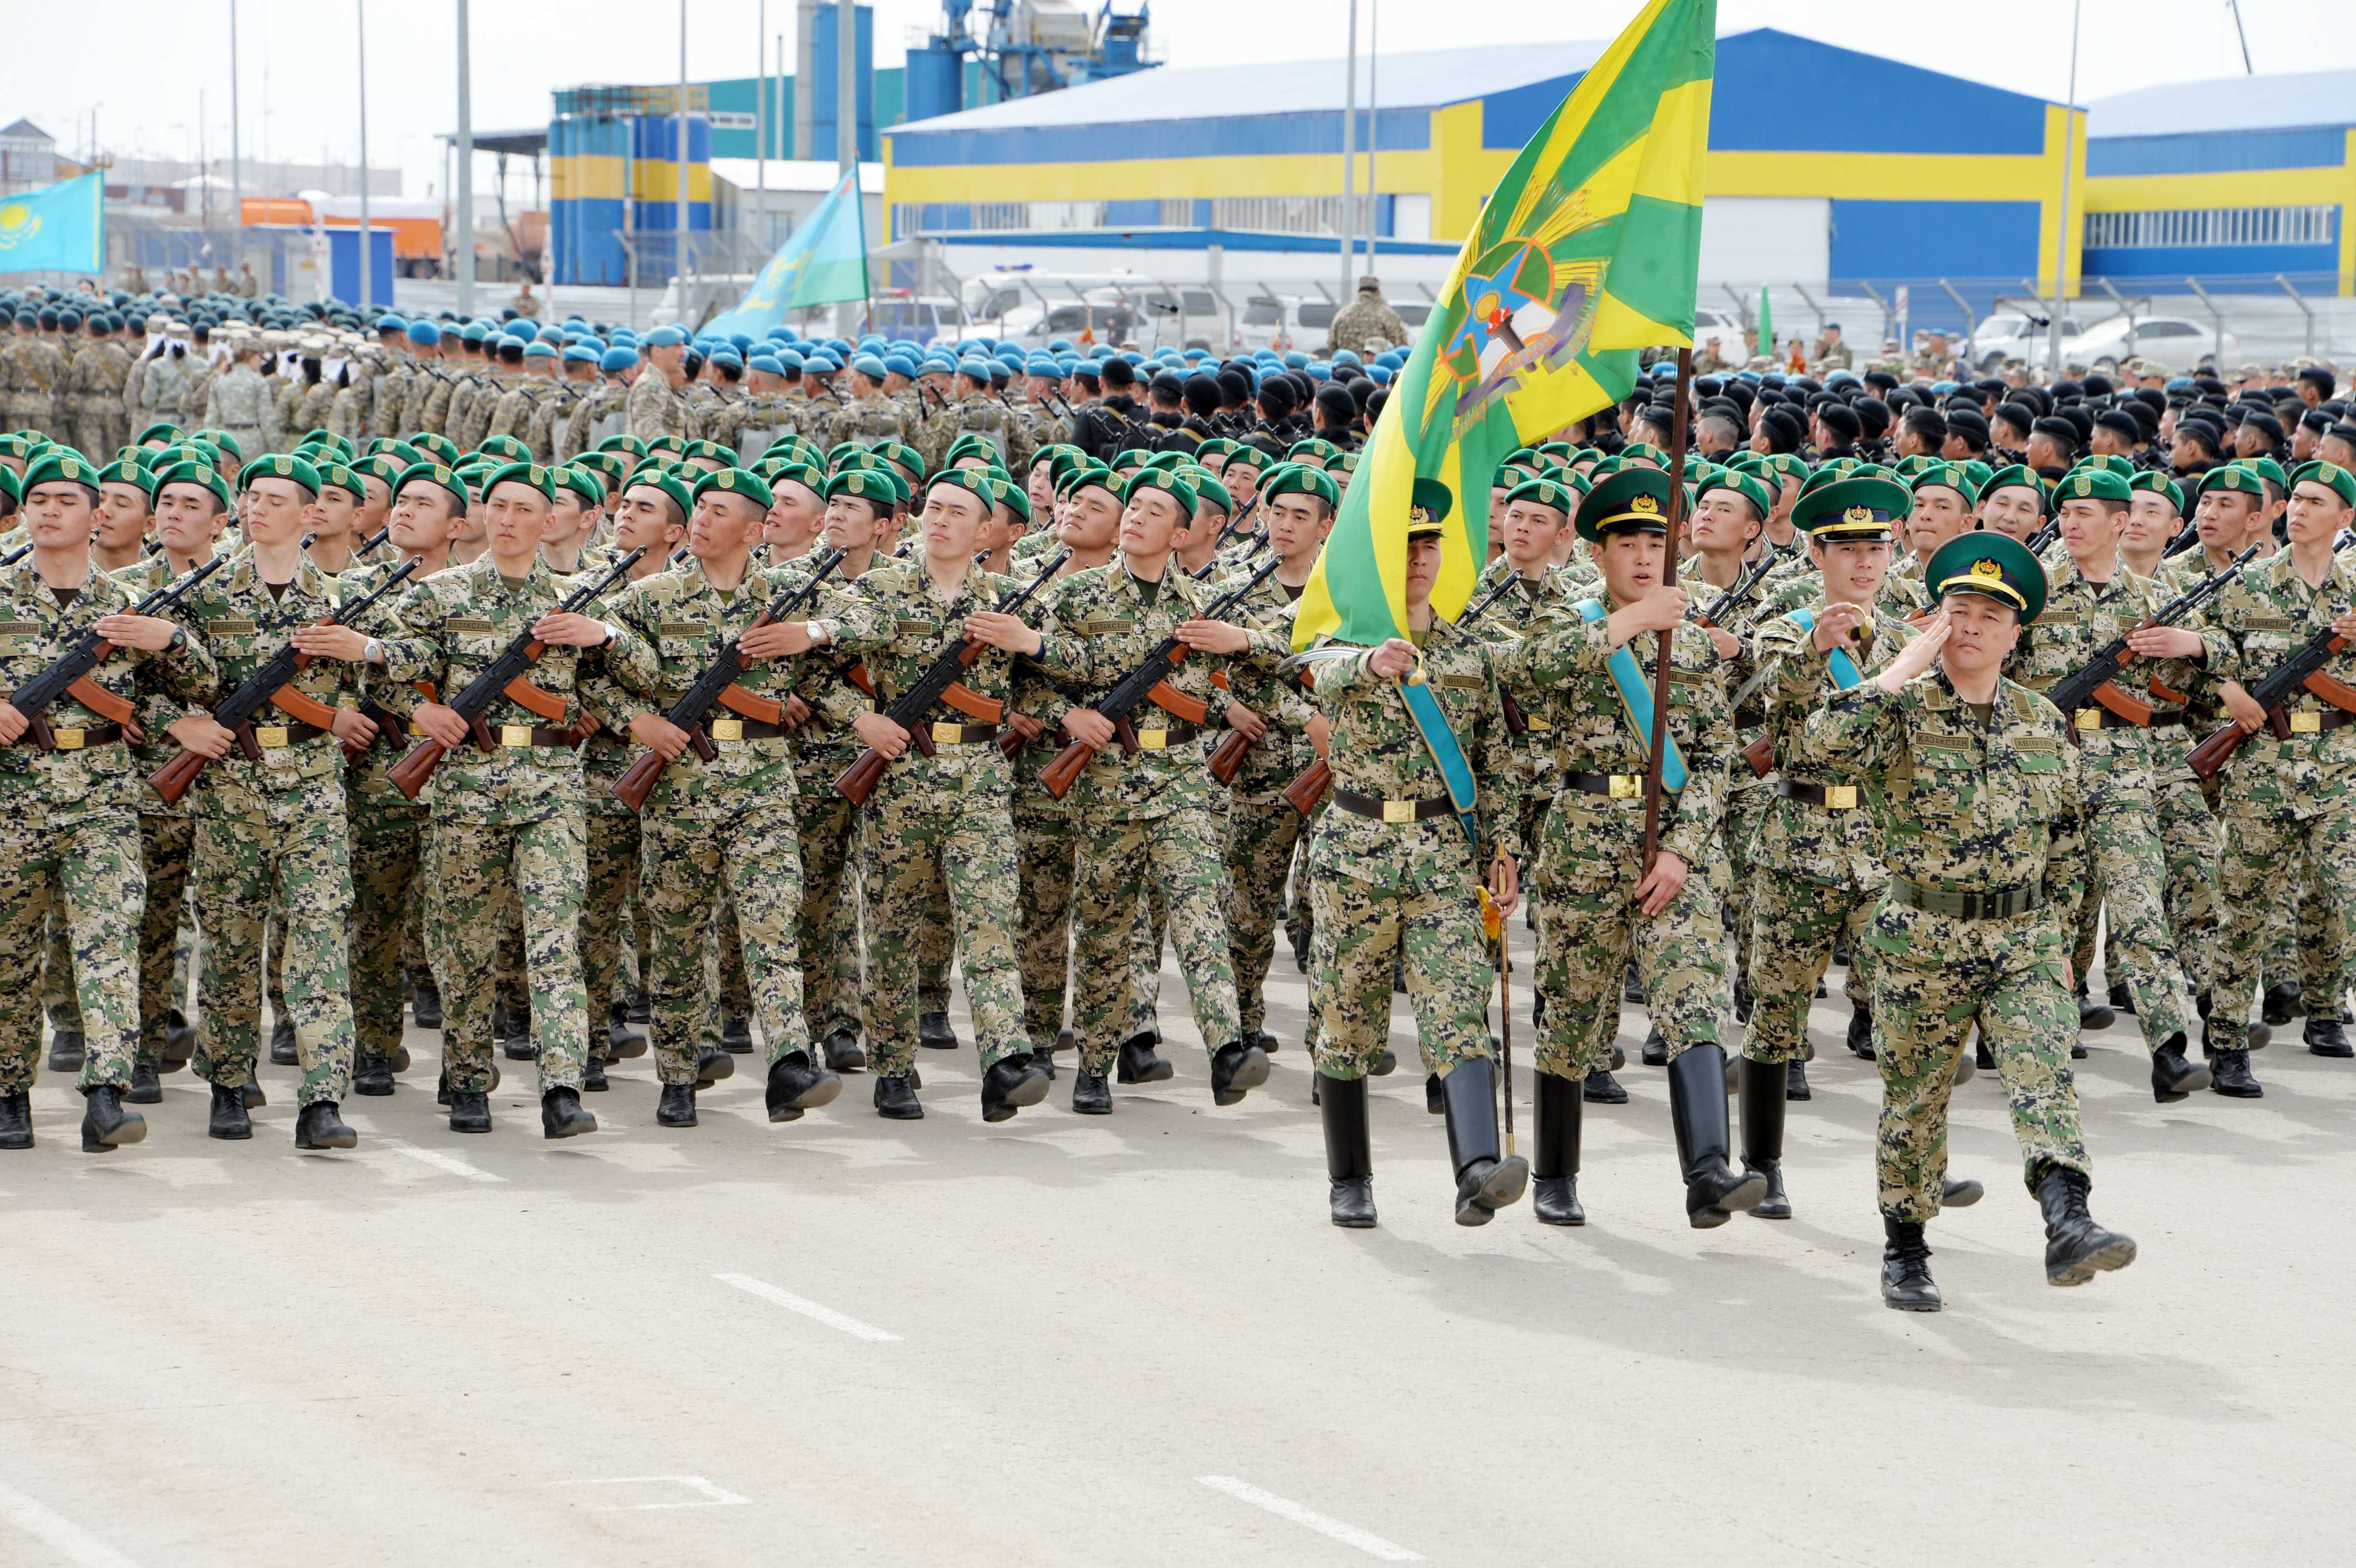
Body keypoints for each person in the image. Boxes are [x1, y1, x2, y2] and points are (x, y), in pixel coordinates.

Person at [1802, 531, 2135, 1310]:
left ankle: (2066, 1221)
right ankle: (1906, 1248)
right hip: (1919, 935)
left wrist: (2058, 939)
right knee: (1914, 1099)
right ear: (1934, 620)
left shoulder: (2037, 721)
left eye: (1991, 614)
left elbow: (2064, 839)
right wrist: (1895, 670)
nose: (1974, 626)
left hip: (2018, 937)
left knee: (2041, 1075)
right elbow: (1820, 751)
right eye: (1959, 610)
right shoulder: (1899, 709)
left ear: (2016, 633)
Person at [1502, 468, 1756, 1230]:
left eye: (1657, 542)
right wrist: (1631, 621)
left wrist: (1682, 849)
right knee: (1574, 1013)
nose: (1645, 559)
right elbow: (1526, 675)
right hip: (1584, 837)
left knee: (1695, 996)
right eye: (1627, 545)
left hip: (1676, 847)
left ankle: (1709, 1170)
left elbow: (1716, 753)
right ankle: (1555, 1175)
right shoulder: (1565, 620)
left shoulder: (1695, 633)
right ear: (1599, 552)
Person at [380, 460, 648, 1138]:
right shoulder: (438, 596)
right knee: (465, 944)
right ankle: (469, 1078)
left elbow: (643, 673)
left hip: (552, 792)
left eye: (525, 509)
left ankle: (561, 1086)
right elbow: (383, 674)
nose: (509, 519)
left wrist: (605, 636)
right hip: (467, 788)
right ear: (480, 516)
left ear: (550, 522)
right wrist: (421, 715)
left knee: (555, 939)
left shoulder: (581, 596)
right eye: (498, 506)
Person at [1305, 479, 1525, 1228]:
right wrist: (1371, 665)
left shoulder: (1470, 655)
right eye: (1405, 546)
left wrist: (1503, 851)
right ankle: (1350, 1178)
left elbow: (1496, 761)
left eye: (1430, 544)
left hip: (1442, 856)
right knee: (1347, 1020)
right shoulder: (1344, 637)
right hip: (1356, 855)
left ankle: (1476, 1169)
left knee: (1458, 1010)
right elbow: (1316, 674)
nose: (1420, 559)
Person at [171, 454, 405, 1149]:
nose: (257, 508)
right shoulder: (204, 593)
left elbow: (421, 659)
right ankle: (228, 1081)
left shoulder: (346, 596)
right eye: (251, 497)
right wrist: (175, 724)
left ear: (310, 515)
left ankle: (323, 1099)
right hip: (230, 795)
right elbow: (153, 685)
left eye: (276, 499)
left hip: (312, 794)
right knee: (232, 945)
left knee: (320, 944)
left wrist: (368, 649)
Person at [1030, 467, 1280, 1112]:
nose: (1138, 517)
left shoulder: (1203, 608)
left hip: (1180, 785)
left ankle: (1228, 1048)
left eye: (1154, 512)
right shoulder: (1078, 597)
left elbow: (1288, 655)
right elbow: (1024, 676)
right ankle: (1092, 1064)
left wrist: (1244, 640)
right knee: (1105, 927)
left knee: (1199, 911)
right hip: (1106, 785)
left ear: (1179, 535)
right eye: (1133, 507)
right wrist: (1064, 715)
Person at [603, 466, 843, 1129]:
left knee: (772, 926)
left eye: (718, 512)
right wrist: (636, 722)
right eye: (699, 510)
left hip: (763, 790)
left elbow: (860, 634)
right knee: (680, 937)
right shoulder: (650, 598)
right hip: (679, 792)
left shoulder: (790, 597)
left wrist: (815, 636)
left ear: (755, 529)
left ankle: (790, 1061)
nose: (703, 521)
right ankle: (679, 1072)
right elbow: (589, 678)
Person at [0, 450, 213, 1153]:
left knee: (109, 947)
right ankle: (8, 1094)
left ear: (98, 516)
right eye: (40, 500)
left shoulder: (128, 605)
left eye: (67, 500)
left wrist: (172, 638)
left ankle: (107, 1093)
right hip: (14, 800)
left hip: (101, 801)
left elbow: (197, 688)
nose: (51, 510)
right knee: (10, 955)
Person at [2193, 459, 2356, 1083]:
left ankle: (2328, 1010)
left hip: (2342, 767)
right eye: (2299, 500)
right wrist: (2230, 690)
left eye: (2319, 502)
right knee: (2246, 905)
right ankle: (2229, 1041)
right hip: (2264, 766)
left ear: (2345, 518)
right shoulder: (2249, 584)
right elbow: (2203, 647)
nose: (2303, 510)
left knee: (2346, 900)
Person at [1325, 278, 1407, 361]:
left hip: (1346, 369)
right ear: (1378, 292)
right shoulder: (1388, 315)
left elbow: (1332, 345)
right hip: (1378, 370)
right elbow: (1400, 346)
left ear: (1359, 292)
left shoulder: (1342, 314)